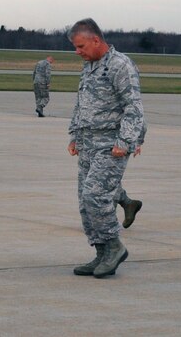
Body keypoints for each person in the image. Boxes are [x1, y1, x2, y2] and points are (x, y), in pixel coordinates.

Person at [67, 18, 145, 279]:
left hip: (111, 145)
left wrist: (125, 142)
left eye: (80, 46)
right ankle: (100, 253)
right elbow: (82, 103)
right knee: (84, 202)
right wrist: (74, 134)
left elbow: (134, 108)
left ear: (95, 40)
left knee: (95, 196)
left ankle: (114, 247)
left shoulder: (120, 65)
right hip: (88, 143)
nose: (77, 51)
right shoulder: (89, 66)